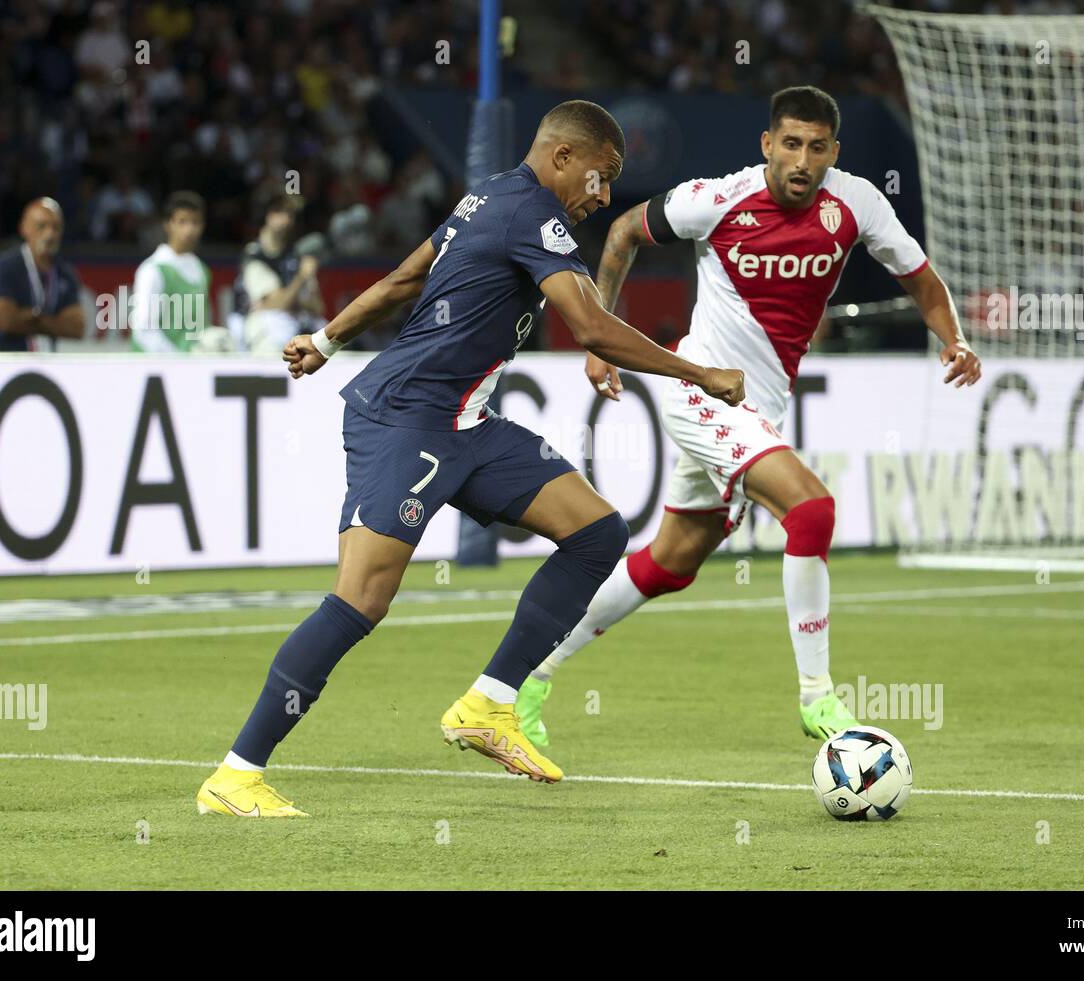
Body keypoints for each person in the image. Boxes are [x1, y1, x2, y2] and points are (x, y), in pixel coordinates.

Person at [195, 99, 744, 818]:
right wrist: (698, 371)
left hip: (466, 424)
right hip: (406, 418)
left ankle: (490, 702)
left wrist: (326, 341)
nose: (604, 195)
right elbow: (590, 327)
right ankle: (236, 773)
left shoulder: (485, 194)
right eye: (601, 176)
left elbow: (403, 280)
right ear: (561, 158)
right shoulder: (533, 216)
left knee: (596, 532)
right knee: (361, 598)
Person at [515, 85, 982, 746]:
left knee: (670, 562)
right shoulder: (717, 199)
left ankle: (529, 674)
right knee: (812, 511)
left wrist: (953, 338)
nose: (803, 160)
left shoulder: (857, 203)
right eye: (790, 144)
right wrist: (601, 337)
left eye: (817, 148)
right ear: (767, 144)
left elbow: (921, 278)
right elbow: (622, 231)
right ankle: (818, 697)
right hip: (701, 391)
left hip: (758, 408)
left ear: (833, 153)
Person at [0, 198, 85, 352]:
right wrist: (55, 322)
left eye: (56, 227)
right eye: (41, 226)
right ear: (23, 228)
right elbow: (6, 321)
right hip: (9, 359)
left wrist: (34, 318)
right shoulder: (5, 266)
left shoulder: (66, 273)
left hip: (50, 362)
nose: (50, 234)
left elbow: (76, 329)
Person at [231, 195, 325, 355]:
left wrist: (295, 299)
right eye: (279, 212)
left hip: (296, 321)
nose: (285, 219)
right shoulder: (254, 255)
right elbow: (275, 303)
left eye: (290, 214)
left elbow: (318, 307)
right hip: (259, 324)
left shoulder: (296, 255)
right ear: (267, 215)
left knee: (330, 337)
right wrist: (301, 278)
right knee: (273, 336)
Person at [130, 191, 211, 352]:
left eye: (195, 222)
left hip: (191, 369)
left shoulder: (202, 270)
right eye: (182, 221)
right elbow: (144, 330)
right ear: (168, 224)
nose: (189, 229)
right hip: (153, 370)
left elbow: (201, 326)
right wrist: (177, 362)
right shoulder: (152, 270)